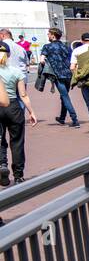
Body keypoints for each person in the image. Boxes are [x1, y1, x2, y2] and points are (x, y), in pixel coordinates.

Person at [0, 44, 38, 186]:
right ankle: (18, 175)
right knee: (17, 141)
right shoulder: (16, 72)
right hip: (13, 107)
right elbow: (23, 94)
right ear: (9, 55)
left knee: (0, 139)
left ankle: (2, 165)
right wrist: (31, 111)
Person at [39, 28, 80, 128]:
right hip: (68, 75)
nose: (48, 35)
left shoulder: (47, 46)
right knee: (63, 96)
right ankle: (62, 118)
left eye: (49, 34)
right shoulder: (66, 46)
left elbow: (42, 60)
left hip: (58, 75)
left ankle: (75, 119)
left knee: (65, 96)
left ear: (53, 35)